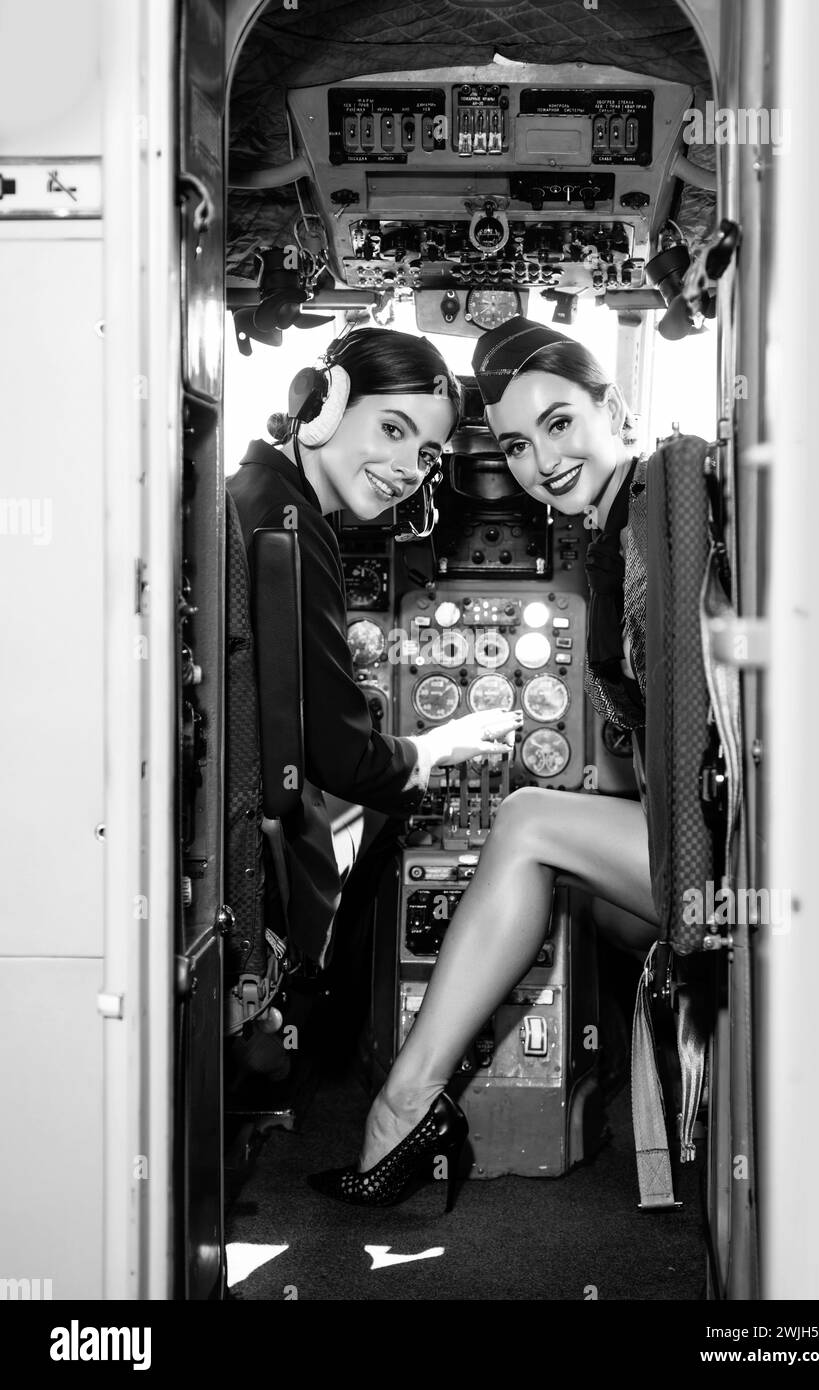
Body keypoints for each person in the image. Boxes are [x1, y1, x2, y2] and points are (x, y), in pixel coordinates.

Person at [307, 317, 659, 1210]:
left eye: (557, 423)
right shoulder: (635, 523)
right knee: (568, 883)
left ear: (610, 408)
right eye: (514, 443)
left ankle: (405, 1102)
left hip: (736, 856)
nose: (541, 461)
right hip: (704, 839)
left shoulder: (658, 519)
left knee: (526, 817)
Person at [227, 326, 520, 970]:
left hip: (250, 812)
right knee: (403, 830)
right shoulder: (294, 527)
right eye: (393, 430)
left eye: (427, 454)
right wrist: (446, 743)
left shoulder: (249, 494)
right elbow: (351, 764)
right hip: (267, 841)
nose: (408, 471)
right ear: (324, 404)